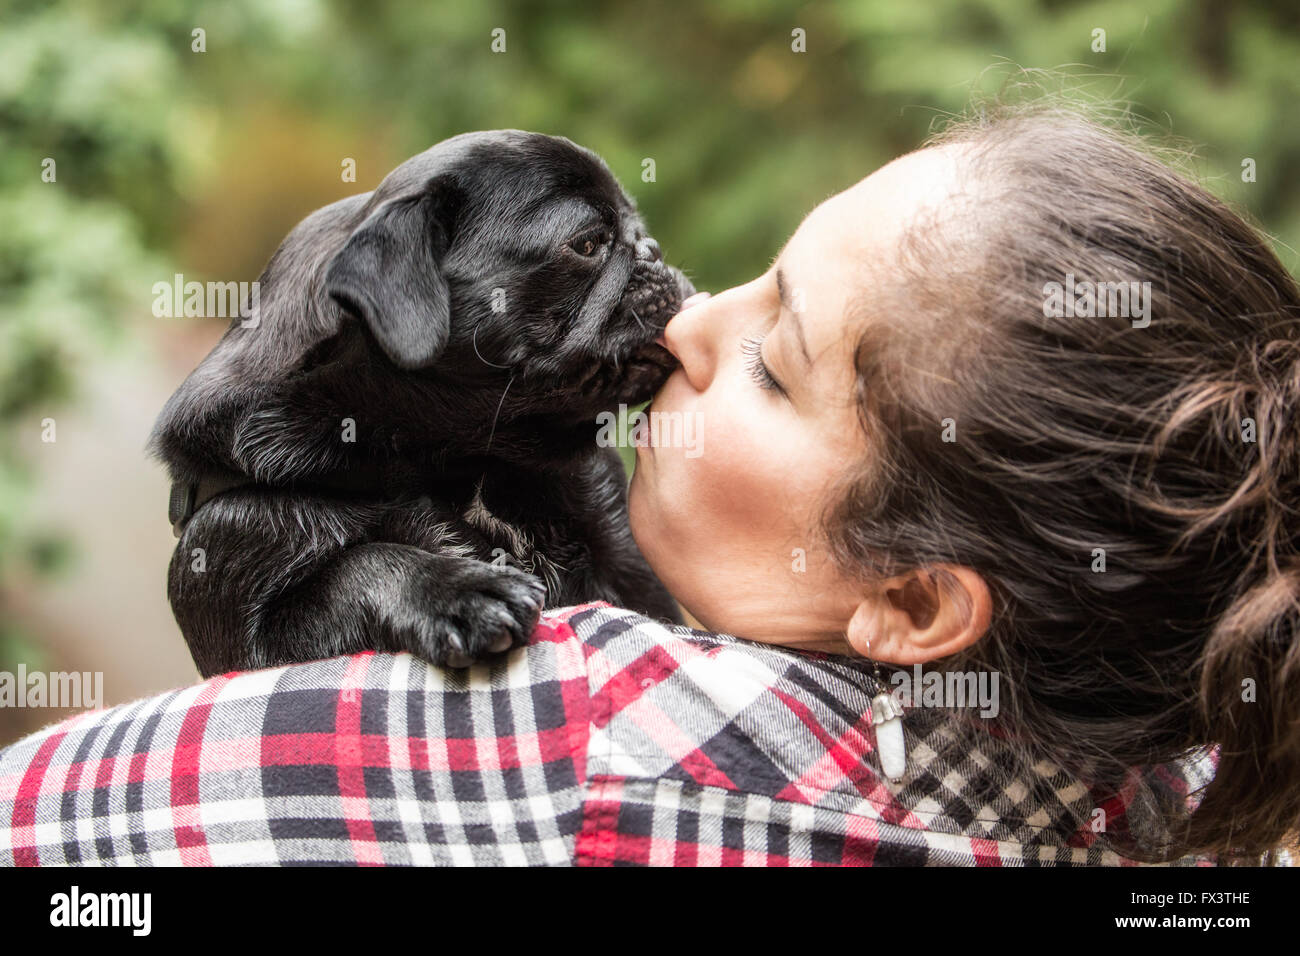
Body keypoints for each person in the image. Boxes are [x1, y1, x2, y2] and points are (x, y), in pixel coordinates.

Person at [2, 102, 1297, 866]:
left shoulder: (574, 736)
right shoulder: (1168, 786)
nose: (687, 323)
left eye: (774, 369)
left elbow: (45, 828)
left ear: (910, 606)